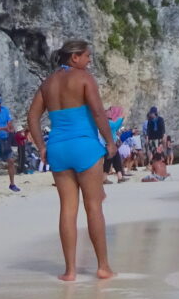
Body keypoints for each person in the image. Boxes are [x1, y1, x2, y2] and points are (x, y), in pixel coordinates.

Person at [25, 37, 117, 282]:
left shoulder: (48, 83)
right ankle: (103, 267)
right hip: (85, 146)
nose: (89, 62)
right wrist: (110, 141)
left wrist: (41, 146)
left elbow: (31, 117)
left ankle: (70, 271)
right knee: (94, 206)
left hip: (58, 149)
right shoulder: (84, 78)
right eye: (87, 56)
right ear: (74, 57)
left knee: (67, 208)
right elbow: (98, 112)